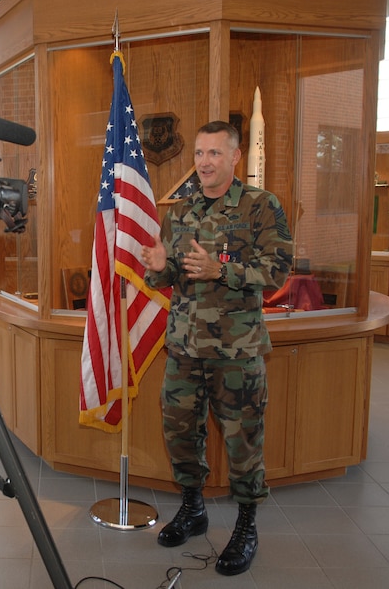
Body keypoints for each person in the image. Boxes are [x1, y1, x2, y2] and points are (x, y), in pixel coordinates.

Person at [141, 120, 293, 576]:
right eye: (200, 154)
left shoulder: (260, 206)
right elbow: (166, 278)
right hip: (185, 349)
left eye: (214, 154)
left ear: (234, 157)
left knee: (242, 443)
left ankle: (246, 525)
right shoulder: (181, 211)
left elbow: (276, 272)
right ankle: (193, 508)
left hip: (236, 353)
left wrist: (220, 272)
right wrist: (158, 266)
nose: (204, 162)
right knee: (179, 434)